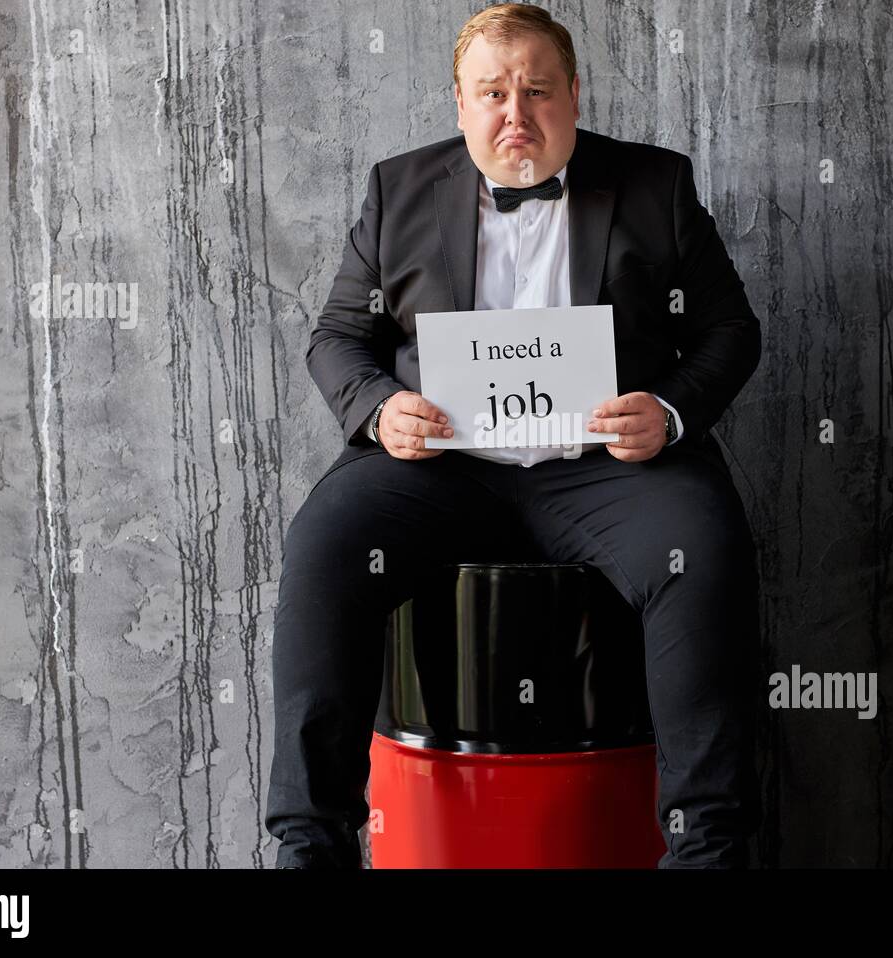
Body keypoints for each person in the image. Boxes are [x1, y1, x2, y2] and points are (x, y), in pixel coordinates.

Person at [266, 2, 762, 869]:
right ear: (459, 104)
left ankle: (709, 853)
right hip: (443, 472)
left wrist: (671, 410)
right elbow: (338, 338)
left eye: (537, 90)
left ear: (574, 93)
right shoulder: (398, 190)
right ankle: (310, 852)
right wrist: (382, 408)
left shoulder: (657, 185)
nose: (515, 113)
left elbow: (729, 331)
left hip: (611, 470)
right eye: (492, 92)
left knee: (704, 554)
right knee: (322, 547)